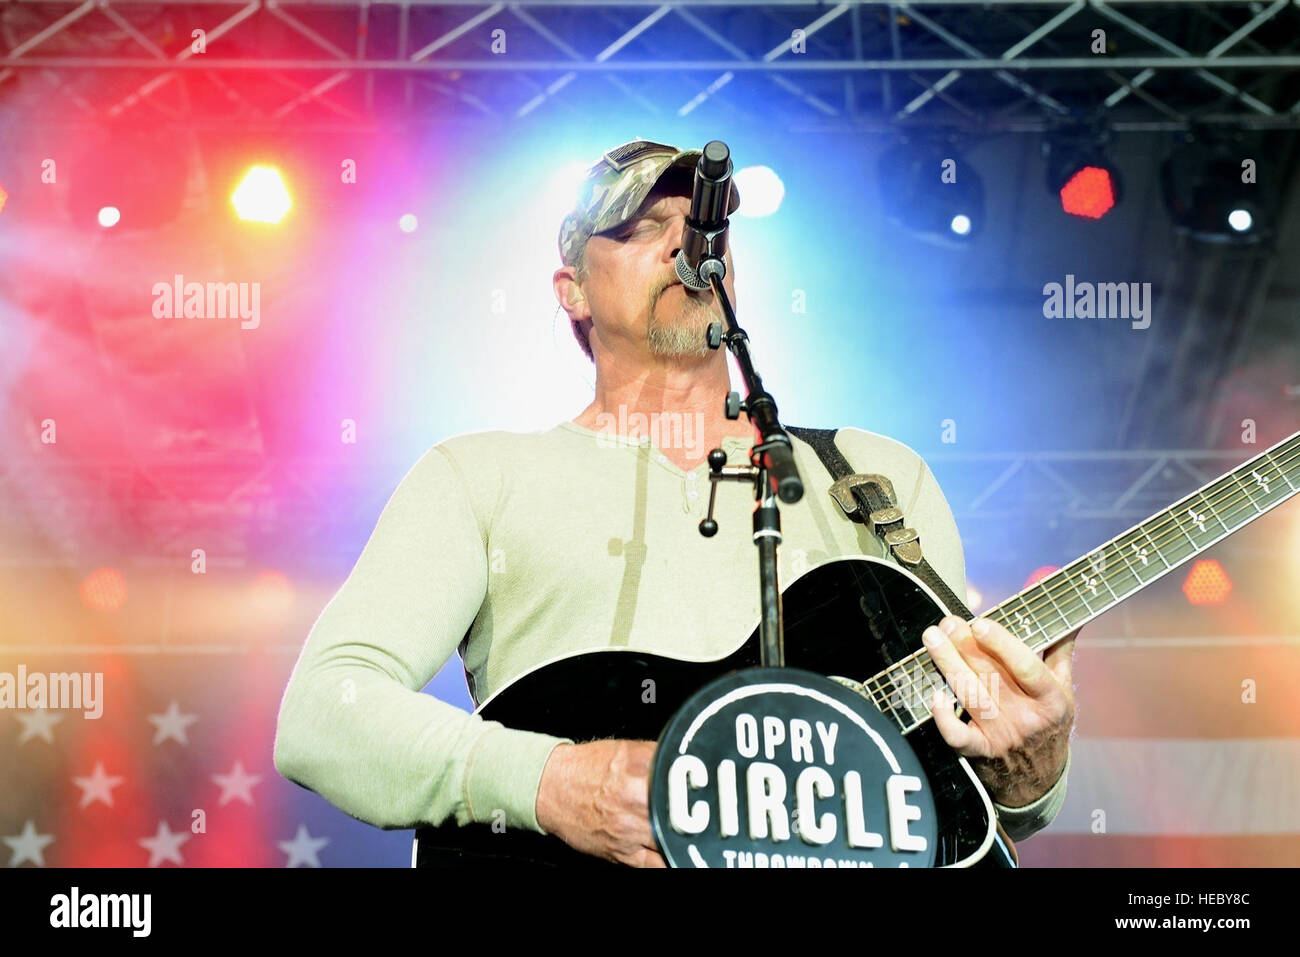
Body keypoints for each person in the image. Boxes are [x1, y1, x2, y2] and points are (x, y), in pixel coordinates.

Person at [273, 138, 1075, 868]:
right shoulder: (480, 476)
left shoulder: (879, 476)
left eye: (705, 228)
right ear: (573, 290)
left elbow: (969, 799)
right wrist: (552, 781)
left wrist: (1030, 769)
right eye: (640, 227)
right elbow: (323, 714)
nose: (688, 244)